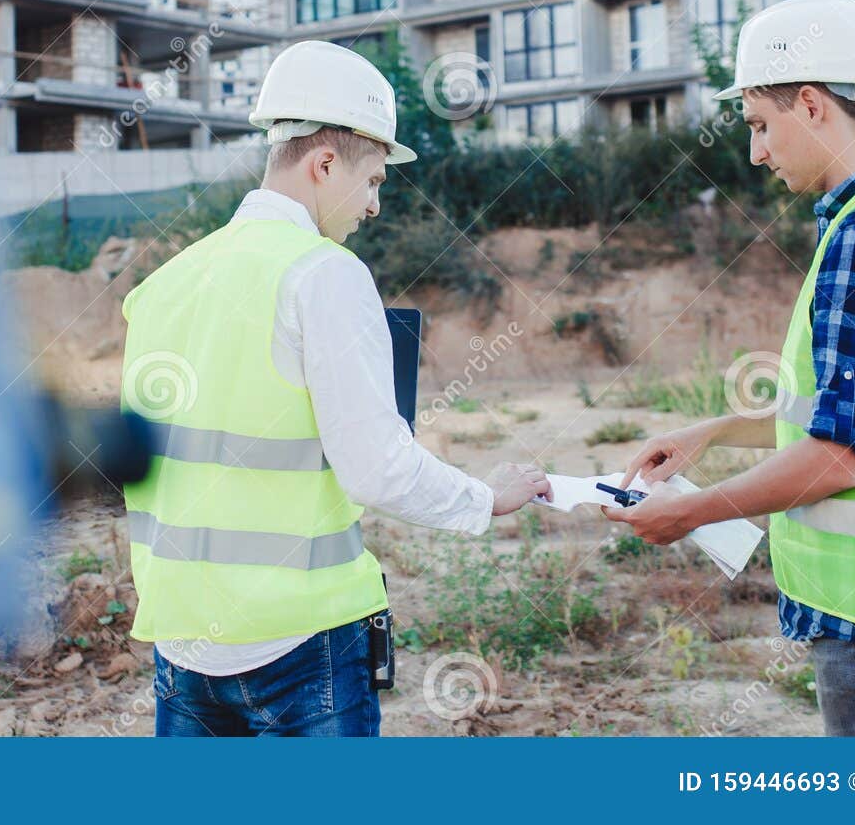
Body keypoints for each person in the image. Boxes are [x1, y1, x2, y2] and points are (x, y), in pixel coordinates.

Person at [119, 39, 550, 737]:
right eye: (374, 178)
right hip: (300, 648)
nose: (375, 204)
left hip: (183, 645)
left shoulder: (161, 288)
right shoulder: (324, 272)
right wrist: (485, 497)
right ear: (324, 164)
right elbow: (377, 468)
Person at [603, 0, 855, 737]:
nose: (756, 152)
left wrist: (694, 509)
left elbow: (837, 456)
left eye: (760, 125)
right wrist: (713, 431)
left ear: (809, 103)